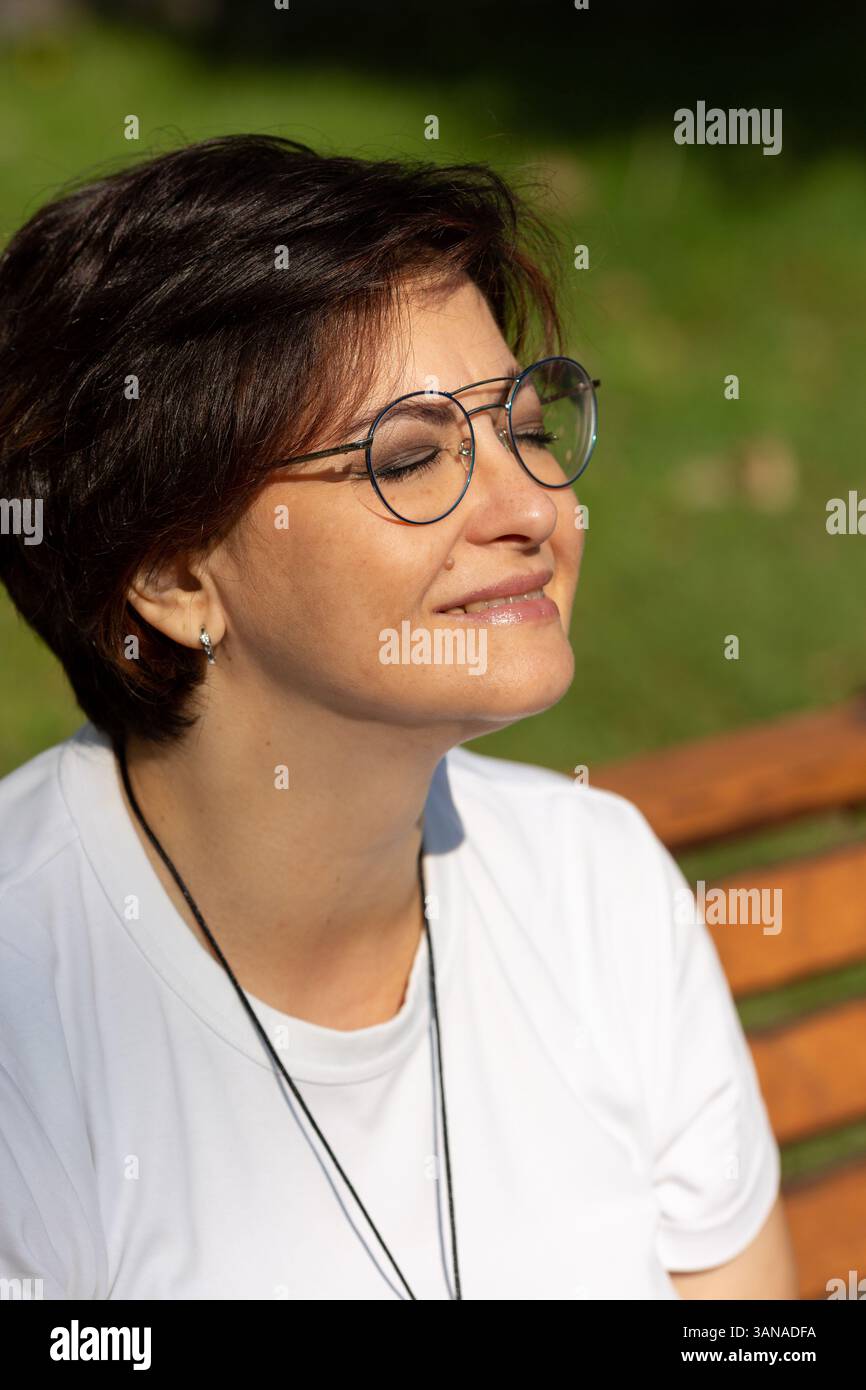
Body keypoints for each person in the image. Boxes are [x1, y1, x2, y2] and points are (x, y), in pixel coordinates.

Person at [0, 134, 797, 1300]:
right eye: (411, 457)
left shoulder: (595, 888)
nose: (531, 505)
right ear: (172, 574)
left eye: (525, 424)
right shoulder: (33, 1011)